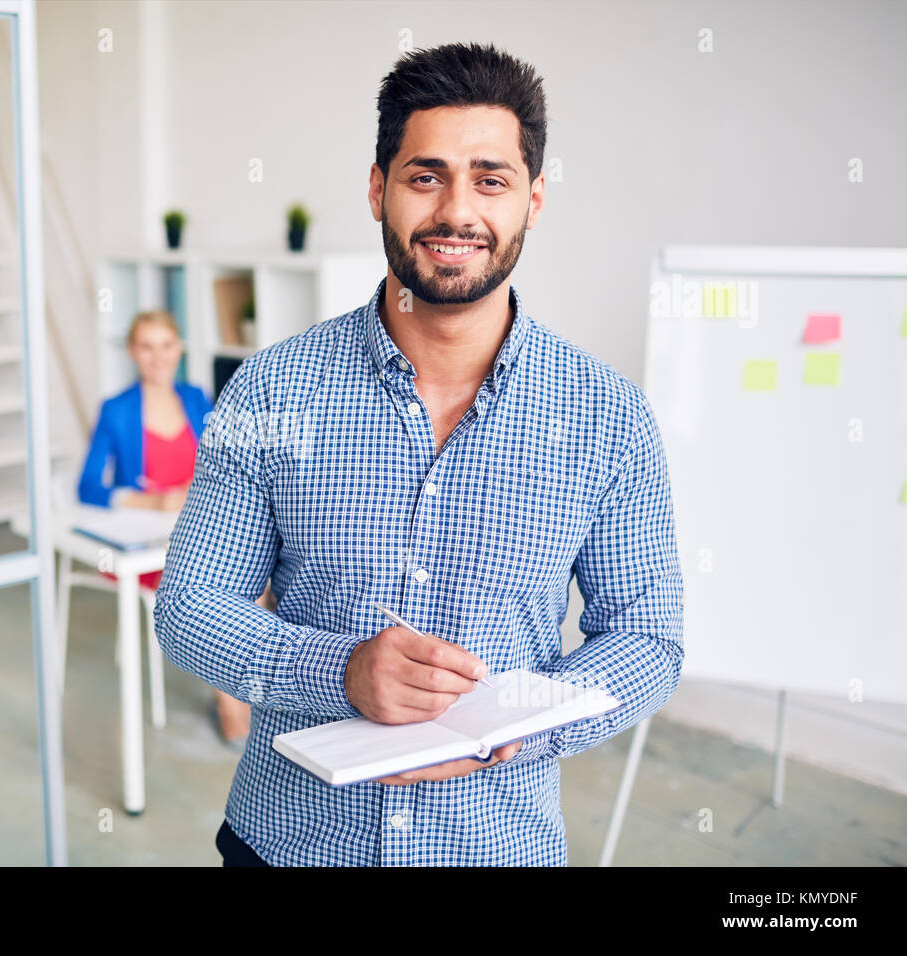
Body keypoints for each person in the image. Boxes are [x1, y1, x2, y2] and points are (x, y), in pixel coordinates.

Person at [153, 42, 684, 866]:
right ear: (379, 189)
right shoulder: (270, 390)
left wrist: (518, 731)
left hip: (496, 843)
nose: (456, 212)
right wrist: (337, 672)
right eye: (425, 175)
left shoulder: (607, 417)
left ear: (533, 200)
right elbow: (188, 607)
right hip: (290, 840)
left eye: (491, 179)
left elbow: (648, 640)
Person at [76, 309, 257, 748]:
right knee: (223, 586)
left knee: (263, 569)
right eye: (146, 346)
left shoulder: (196, 399)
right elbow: (87, 486)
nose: (157, 357)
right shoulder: (117, 411)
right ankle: (231, 702)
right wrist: (151, 500)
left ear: (178, 350)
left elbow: (229, 460)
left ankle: (260, 692)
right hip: (148, 544)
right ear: (132, 352)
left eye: (165, 345)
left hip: (201, 525)